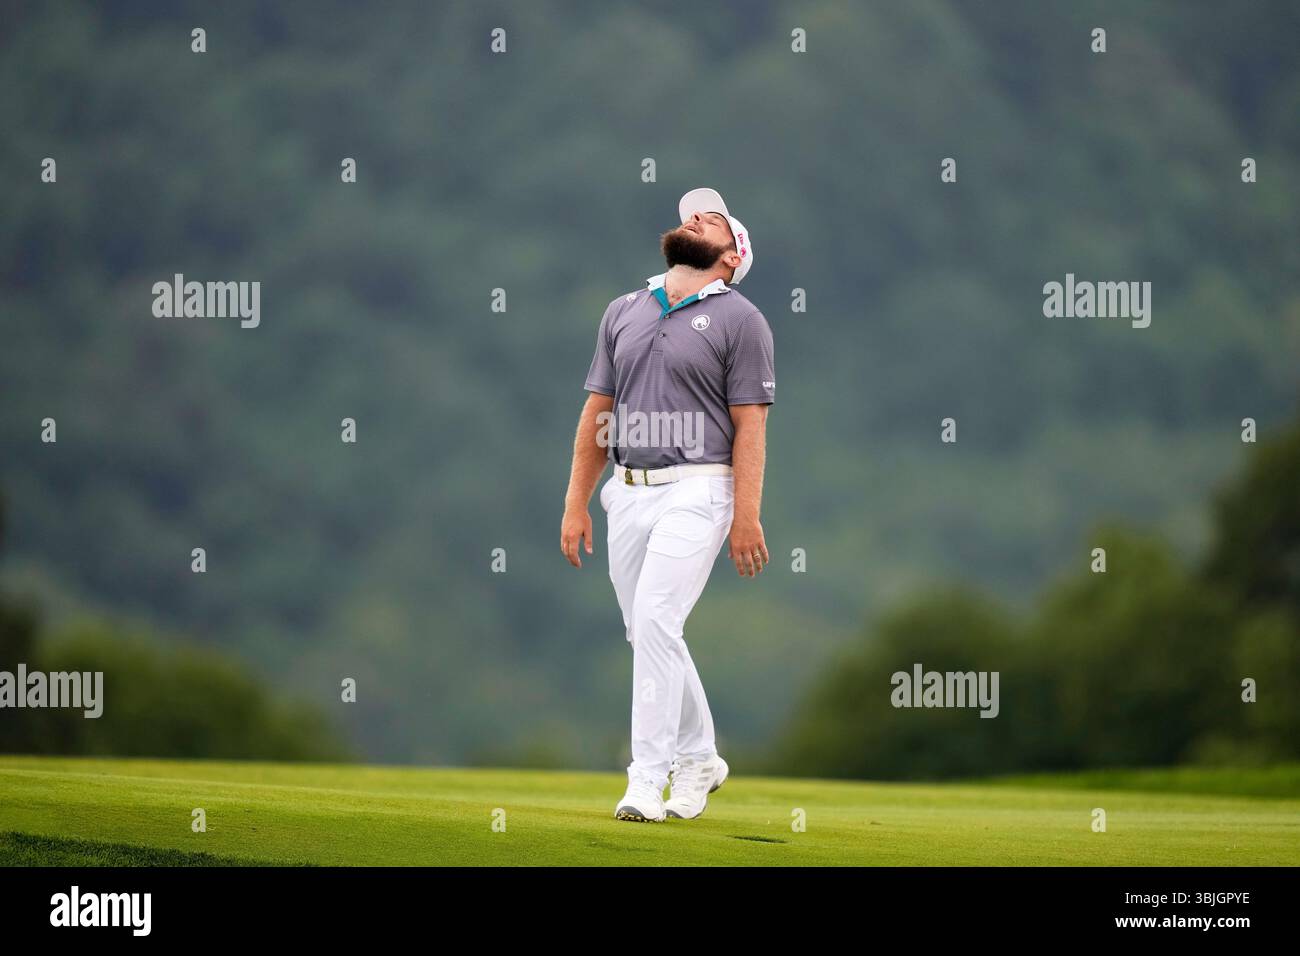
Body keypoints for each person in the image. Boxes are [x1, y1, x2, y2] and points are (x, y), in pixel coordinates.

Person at [560, 187, 775, 821]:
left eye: (712, 219)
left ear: (732, 257)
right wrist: (577, 502)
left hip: (701, 487)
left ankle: (645, 780)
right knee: (648, 630)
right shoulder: (623, 309)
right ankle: (701, 756)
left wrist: (747, 515)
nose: (696, 219)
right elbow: (598, 412)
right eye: (692, 214)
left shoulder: (742, 319)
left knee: (655, 620)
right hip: (625, 492)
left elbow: (752, 425)